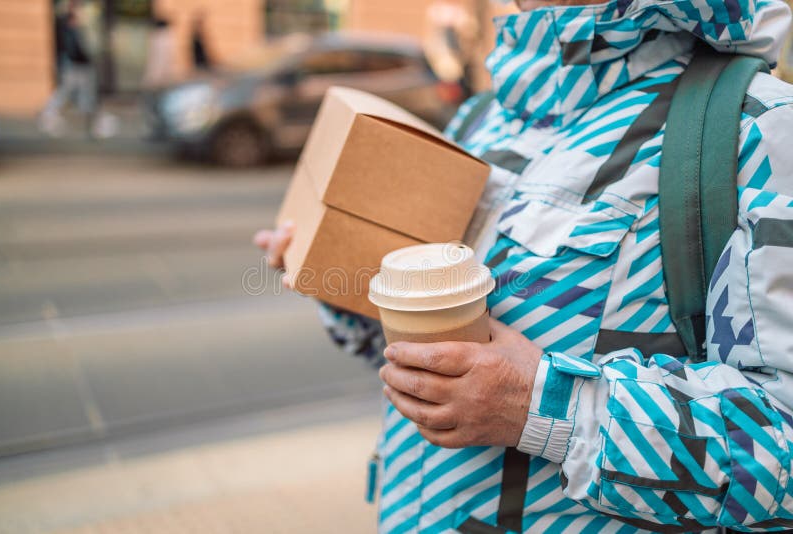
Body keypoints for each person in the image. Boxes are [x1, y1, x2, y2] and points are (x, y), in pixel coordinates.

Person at [256, 0, 793, 531]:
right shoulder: (480, 119)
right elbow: (428, 364)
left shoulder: (761, 128)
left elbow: (782, 452)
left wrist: (543, 406)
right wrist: (344, 280)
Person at [39, 2, 98, 137]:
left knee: (83, 93)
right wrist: (84, 59)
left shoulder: (74, 25)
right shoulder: (68, 24)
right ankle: (48, 113)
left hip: (78, 64)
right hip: (74, 65)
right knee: (67, 91)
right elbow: (72, 48)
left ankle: (90, 123)